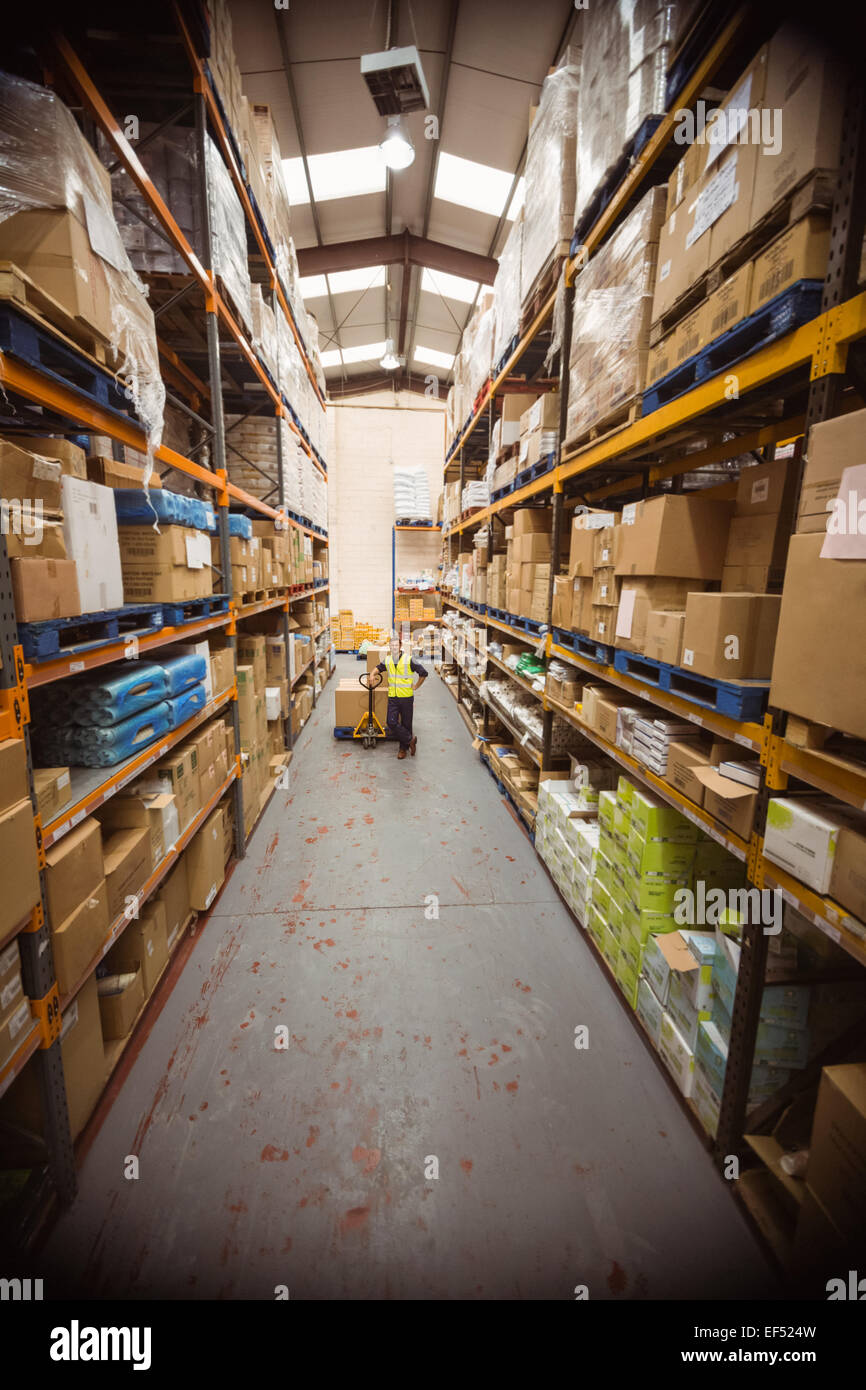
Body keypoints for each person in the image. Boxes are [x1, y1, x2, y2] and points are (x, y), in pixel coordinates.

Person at [371, 633, 427, 760]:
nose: (394, 647)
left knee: (407, 724)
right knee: (391, 722)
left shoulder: (409, 659)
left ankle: (403, 749)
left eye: (396, 645)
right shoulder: (388, 660)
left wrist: (416, 686)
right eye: (392, 646)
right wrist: (372, 674)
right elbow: (378, 668)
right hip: (393, 697)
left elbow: (423, 673)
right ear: (389, 647)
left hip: (406, 697)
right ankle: (410, 739)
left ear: (400, 646)